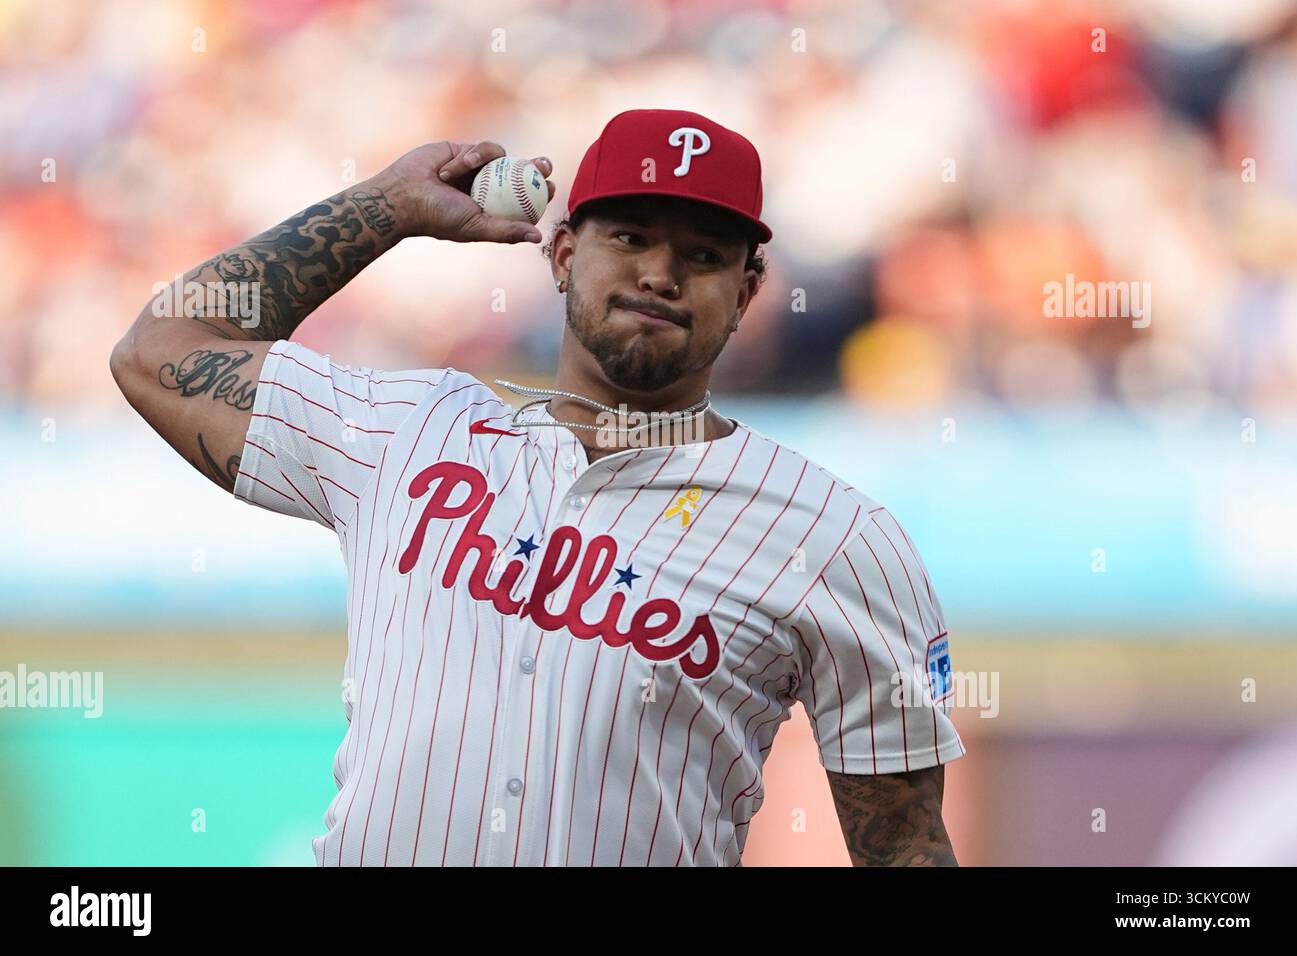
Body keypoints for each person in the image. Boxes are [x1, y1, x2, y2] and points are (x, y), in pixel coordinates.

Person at [109, 108, 965, 866]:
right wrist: (388, 208)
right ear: (560, 253)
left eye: (702, 255)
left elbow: (904, 847)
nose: (661, 274)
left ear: (745, 295)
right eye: (629, 237)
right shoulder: (406, 429)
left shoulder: (836, 538)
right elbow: (159, 351)